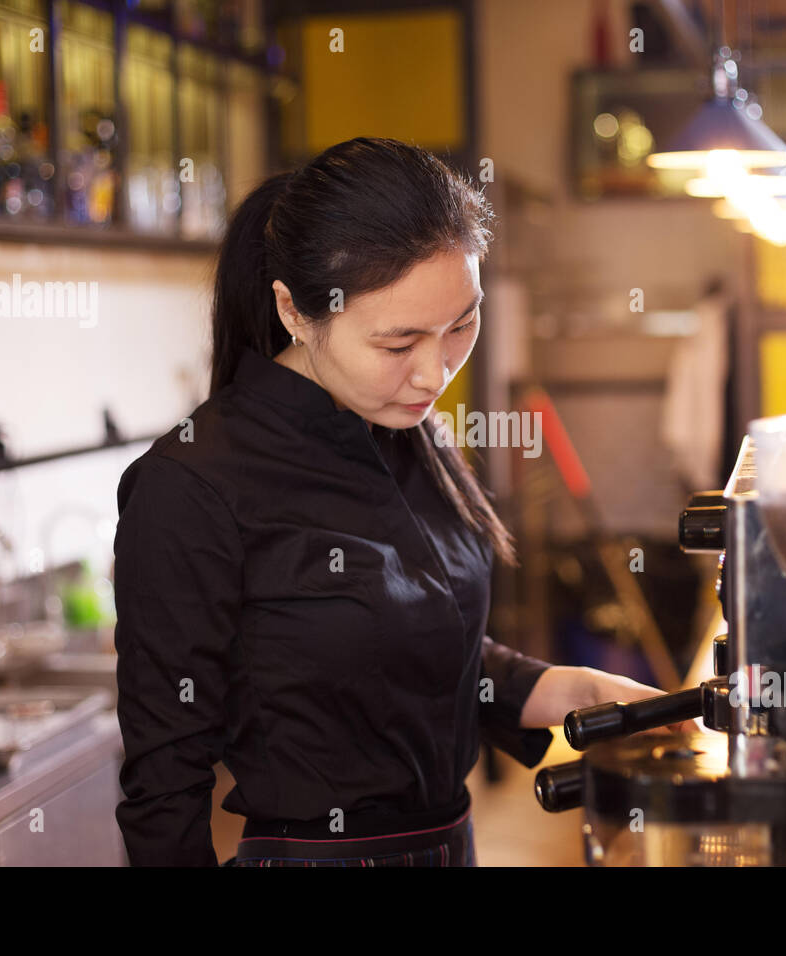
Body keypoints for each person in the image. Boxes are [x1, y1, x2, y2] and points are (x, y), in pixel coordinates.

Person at [113, 137, 692, 867]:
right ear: (295, 311)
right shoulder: (192, 485)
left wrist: (573, 688)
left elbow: (419, 645)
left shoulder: (404, 430)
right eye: (398, 344)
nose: (434, 374)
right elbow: (163, 785)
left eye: (461, 326)